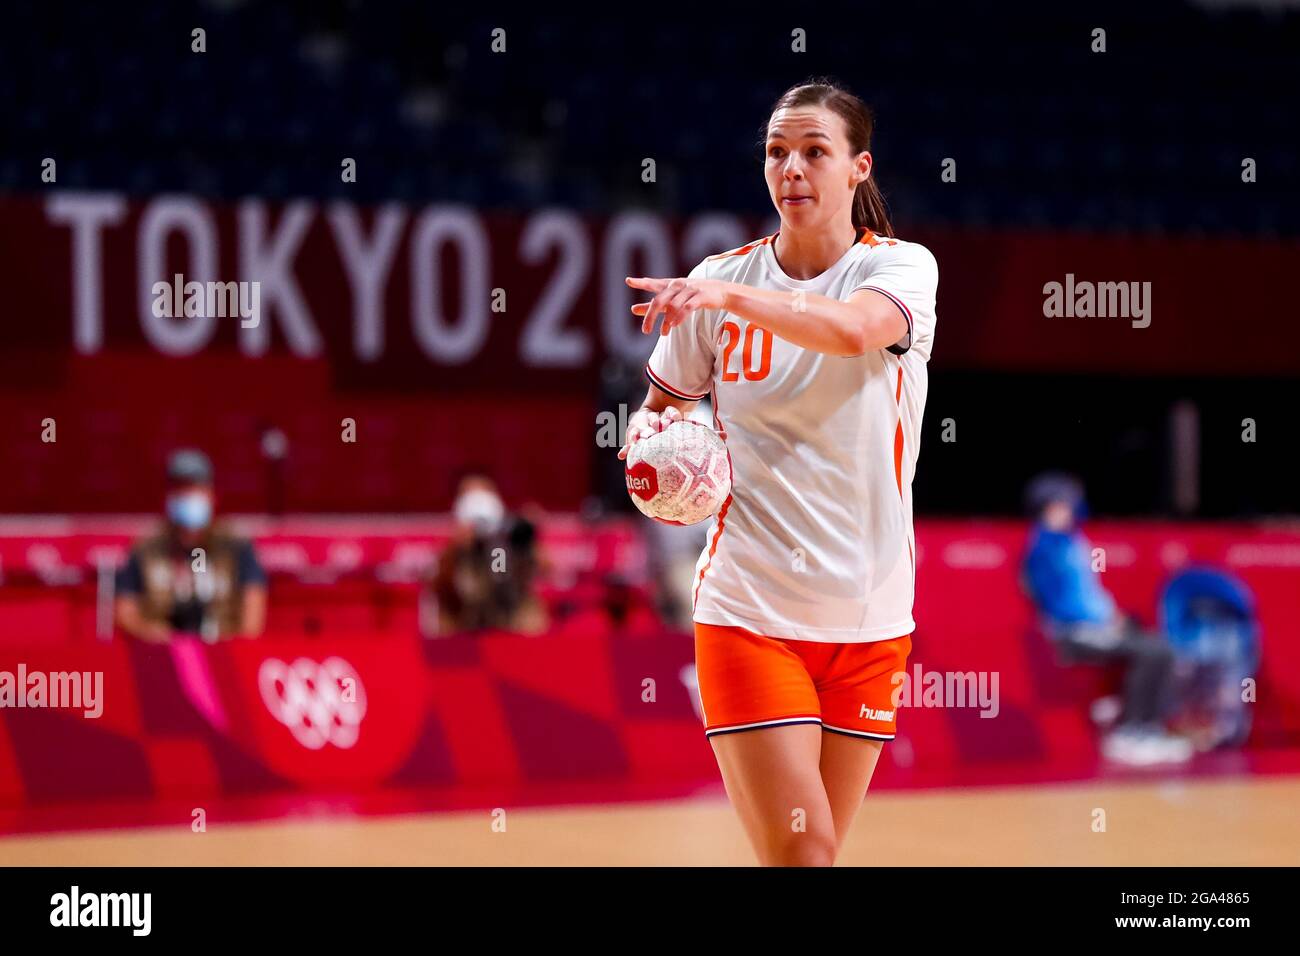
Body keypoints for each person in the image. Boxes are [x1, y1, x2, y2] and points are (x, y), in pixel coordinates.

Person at [620, 78, 934, 866]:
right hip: (750, 608)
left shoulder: (899, 270)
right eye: (776, 152)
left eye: (814, 152)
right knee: (806, 854)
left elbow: (852, 331)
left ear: (859, 168)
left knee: (810, 856)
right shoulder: (720, 280)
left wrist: (726, 294)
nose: (791, 167)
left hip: (870, 620)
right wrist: (656, 457)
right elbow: (657, 411)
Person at [1020, 472, 1192, 766]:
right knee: (1152, 651)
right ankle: (1129, 733)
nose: (1073, 508)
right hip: (1072, 633)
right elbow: (1058, 602)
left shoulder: (1072, 541)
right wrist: (1101, 623)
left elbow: (1089, 594)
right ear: (1049, 506)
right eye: (1064, 502)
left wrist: (1115, 618)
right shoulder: (1043, 547)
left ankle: (1148, 729)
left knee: (1160, 646)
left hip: (1098, 627)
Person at [114, 449, 267, 642]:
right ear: (168, 497)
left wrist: (220, 648)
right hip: (162, 654)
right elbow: (124, 615)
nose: (188, 496)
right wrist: (154, 634)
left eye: (195, 488)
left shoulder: (236, 547)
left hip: (224, 653)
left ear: (212, 495)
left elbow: (252, 622)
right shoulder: (146, 549)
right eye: (181, 489)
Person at [427, 473, 548, 635]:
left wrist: (525, 539)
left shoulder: (510, 537)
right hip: (466, 629)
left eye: (483, 497)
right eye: (470, 498)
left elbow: (545, 570)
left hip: (511, 625)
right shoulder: (451, 548)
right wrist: (458, 548)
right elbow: (439, 588)